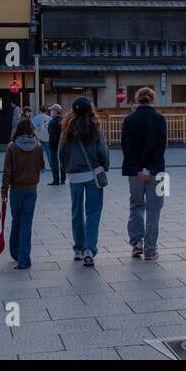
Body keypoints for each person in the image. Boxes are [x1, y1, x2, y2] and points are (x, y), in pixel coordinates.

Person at [60, 96, 109, 266]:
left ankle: (78, 249)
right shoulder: (95, 127)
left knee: (76, 212)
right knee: (93, 213)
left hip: (75, 175)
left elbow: (61, 152)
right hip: (92, 173)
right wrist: (105, 166)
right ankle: (89, 249)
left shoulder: (67, 127)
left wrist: (67, 168)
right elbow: (102, 150)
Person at [121, 87, 167, 261]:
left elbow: (126, 147)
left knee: (136, 206)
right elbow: (162, 147)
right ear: (152, 99)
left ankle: (136, 244)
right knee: (155, 209)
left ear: (137, 99)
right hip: (158, 171)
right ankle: (150, 249)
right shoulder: (160, 119)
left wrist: (137, 169)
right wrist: (152, 168)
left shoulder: (129, 119)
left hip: (134, 172)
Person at [0, 117, 44, 270]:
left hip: (16, 188)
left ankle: (15, 252)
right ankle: (24, 258)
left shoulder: (12, 147)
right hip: (32, 188)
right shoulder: (38, 146)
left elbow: (7, 171)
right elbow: (42, 165)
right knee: (27, 223)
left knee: (16, 221)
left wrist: (4, 190)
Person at [46, 103, 65, 185]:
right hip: (63, 145)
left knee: (55, 163)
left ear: (56, 111)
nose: (50, 112)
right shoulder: (64, 120)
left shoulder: (52, 122)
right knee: (62, 163)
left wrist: (54, 145)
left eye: (52, 110)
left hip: (54, 146)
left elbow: (52, 135)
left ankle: (56, 180)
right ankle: (63, 179)